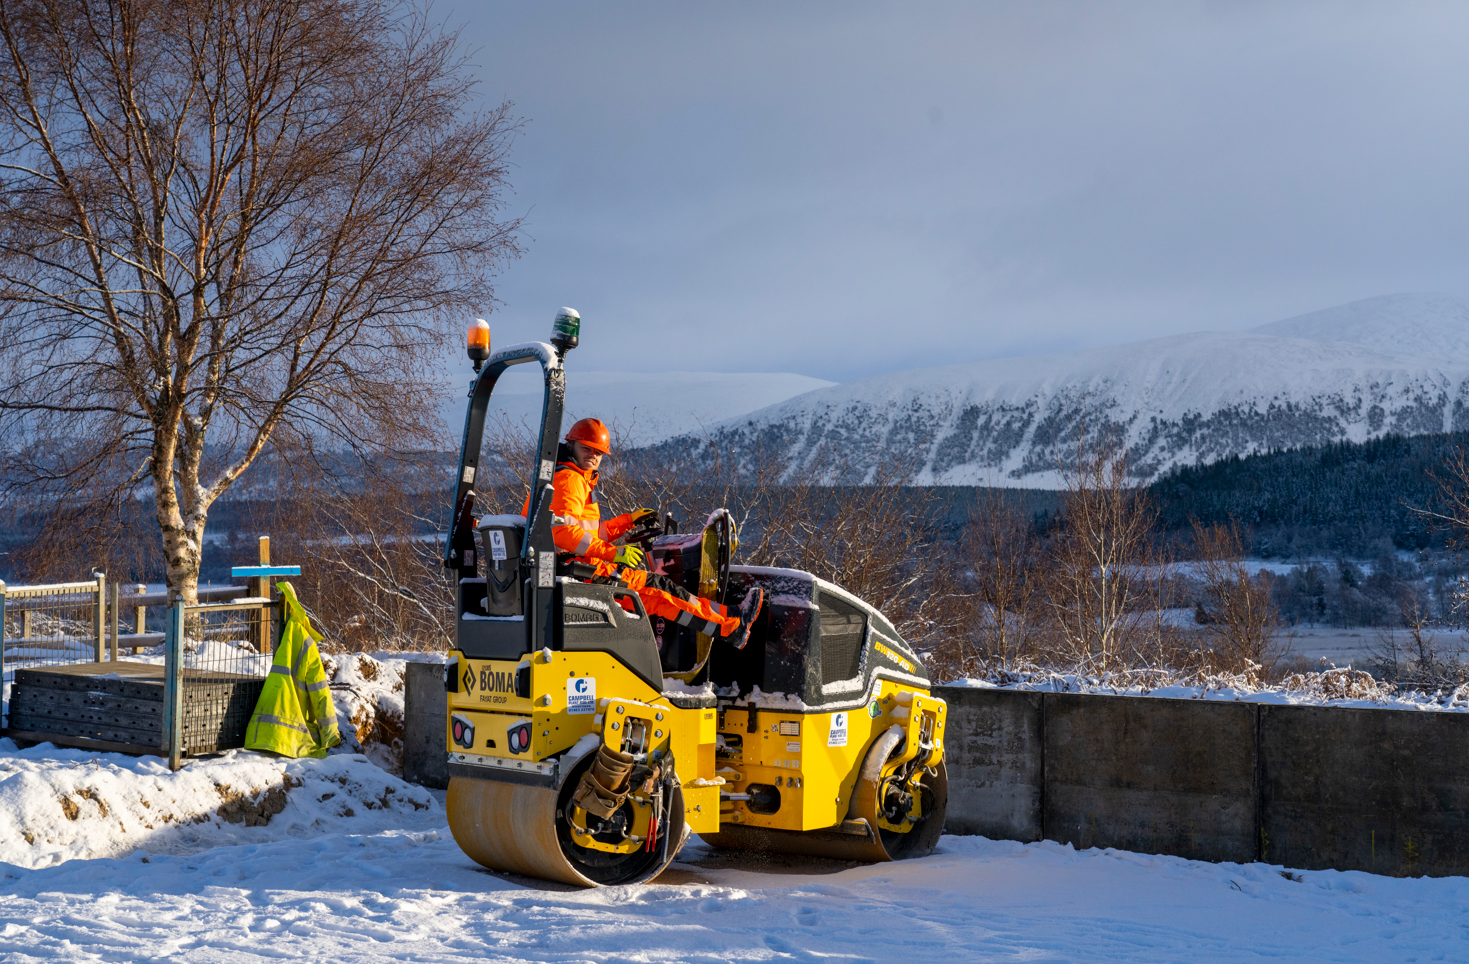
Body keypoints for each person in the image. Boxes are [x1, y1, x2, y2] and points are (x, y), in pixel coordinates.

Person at [522, 417, 763, 647]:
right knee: (661, 589)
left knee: (658, 594)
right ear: (571, 445)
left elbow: (589, 534)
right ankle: (730, 624)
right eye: (587, 448)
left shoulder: (569, 478)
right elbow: (564, 535)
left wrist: (629, 521)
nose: (593, 456)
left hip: (577, 566)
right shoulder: (569, 480)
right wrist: (615, 554)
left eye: (599, 452)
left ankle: (730, 622)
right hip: (579, 570)